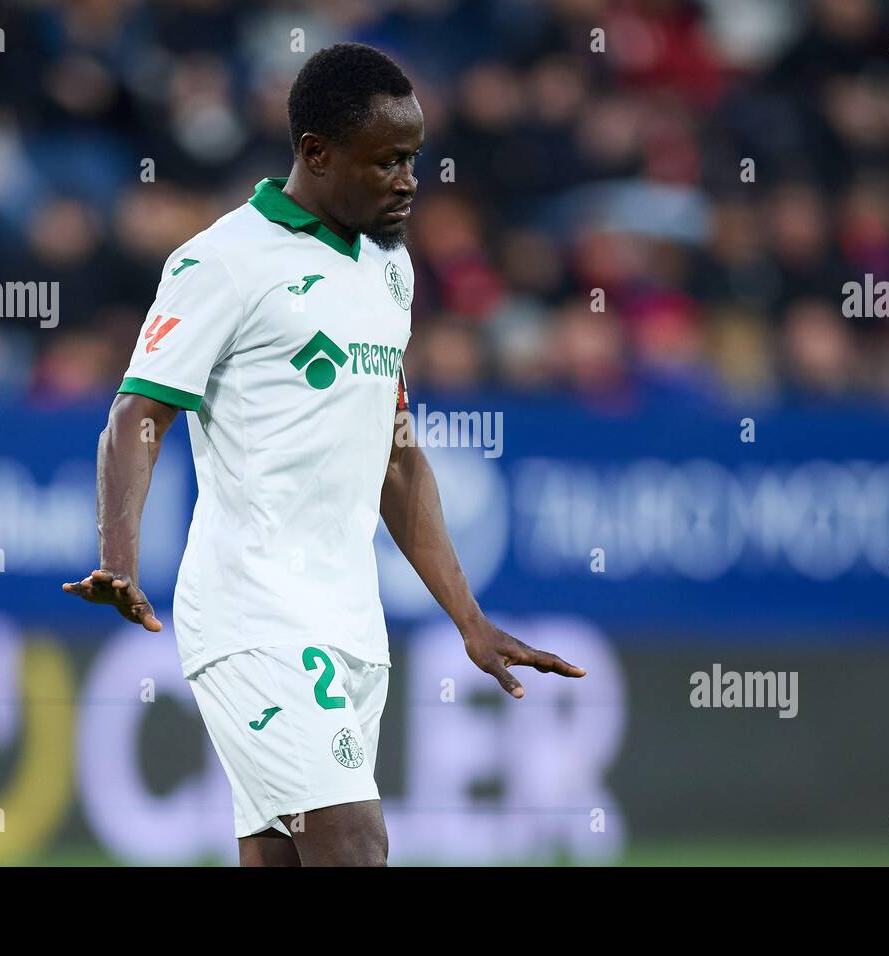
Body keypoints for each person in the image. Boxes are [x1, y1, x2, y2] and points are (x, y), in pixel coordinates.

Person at [63, 42, 584, 866]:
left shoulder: (391, 270)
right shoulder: (223, 261)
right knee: (354, 846)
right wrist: (118, 557)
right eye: (386, 162)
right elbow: (135, 415)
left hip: (348, 614)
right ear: (316, 153)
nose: (409, 180)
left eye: (414, 159)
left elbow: (398, 454)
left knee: (282, 856)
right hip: (252, 609)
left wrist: (469, 619)